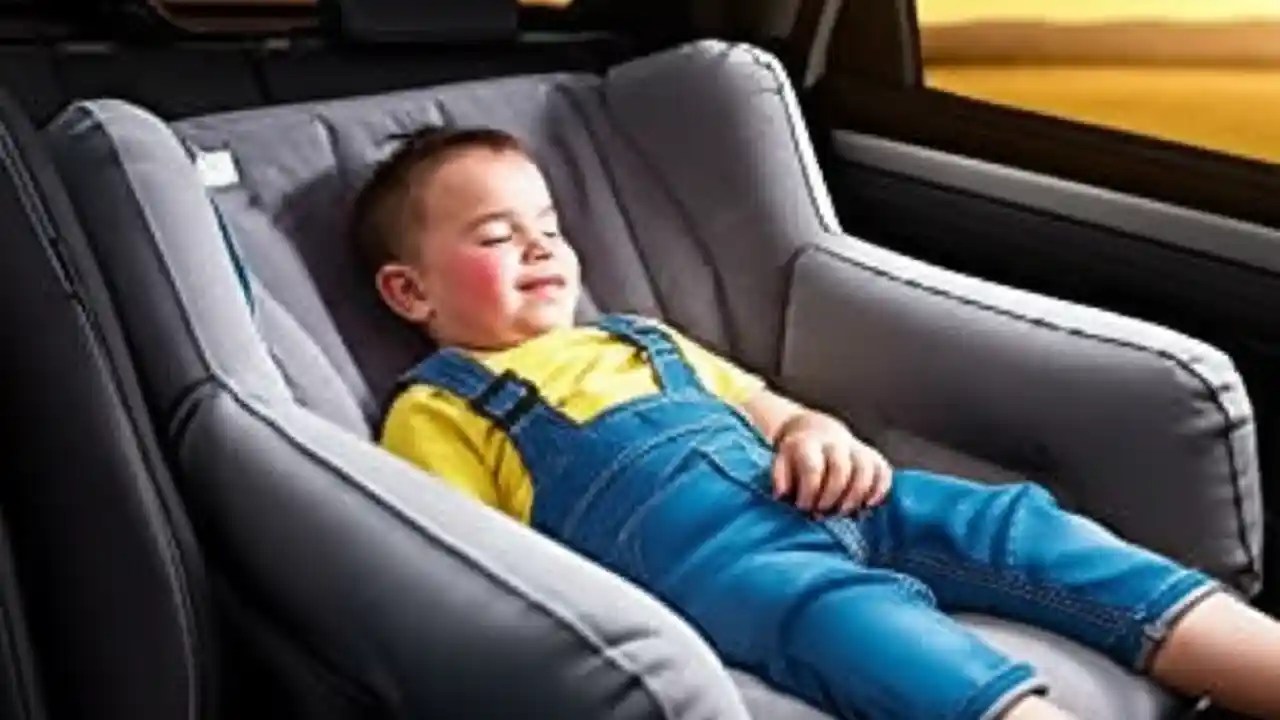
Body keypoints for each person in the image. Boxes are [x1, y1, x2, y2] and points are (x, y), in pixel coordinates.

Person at [358, 125, 1280, 720]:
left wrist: (815, 434)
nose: (541, 245)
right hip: (728, 568)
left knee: (1016, 525)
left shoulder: (641, 337)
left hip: (847, 496)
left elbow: (767, 406)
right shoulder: (443, 402)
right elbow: (475, 559)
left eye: (549, 224)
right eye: (493, 235)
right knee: (863, 629)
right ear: (410, 290)